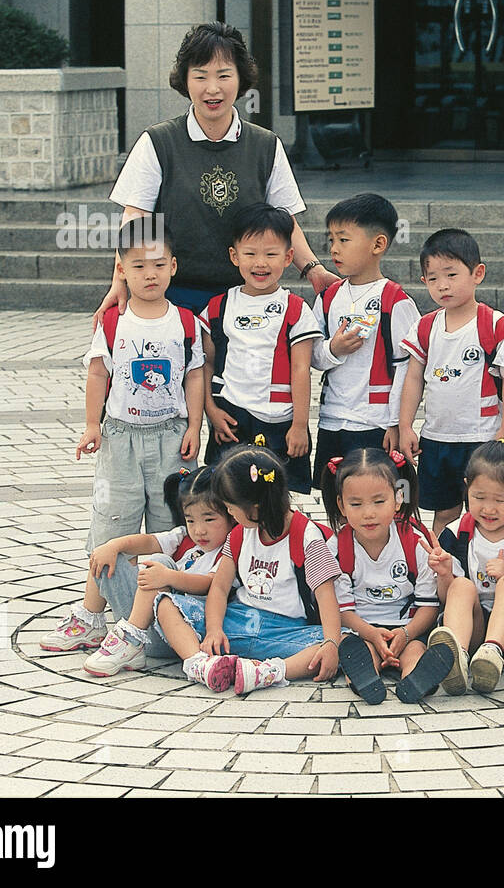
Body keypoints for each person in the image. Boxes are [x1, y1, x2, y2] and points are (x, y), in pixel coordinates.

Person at [101, 21, 335, 321]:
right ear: (185, 81)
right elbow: (137, 219)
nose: (213, 88)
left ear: (240, 79)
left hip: (248, 297)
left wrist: (313, 269)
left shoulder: (265, 145)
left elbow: (284, 219)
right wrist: (119, 281)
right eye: (200, 76)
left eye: (224, 75)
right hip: (174, 298)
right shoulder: (158, 142)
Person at [70, 219, 203, 614]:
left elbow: (194, 376)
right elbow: (98, 372)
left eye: (159, 264)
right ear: (121, 270)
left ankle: (166, 613)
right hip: (120, 439)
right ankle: (92, 614)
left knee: (172, 528)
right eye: (139, 266)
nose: (150, 274)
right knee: (111, 523)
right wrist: (93, 424)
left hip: (172, 438)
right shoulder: (113, 323)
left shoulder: (186, 322)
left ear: (173, 266)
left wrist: (194, 425)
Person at [152, 447, 342, 694]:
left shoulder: (307, 537)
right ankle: (200, 664)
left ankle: (268, 672)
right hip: (236, 623)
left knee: (343, 641)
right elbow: (219, 588)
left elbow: (326, 596)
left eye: (230, 507)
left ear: (255, 507)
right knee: (166, 604)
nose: (229, 513)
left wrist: (330, 643)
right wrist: (214, 630)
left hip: (286, 632)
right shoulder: (240, 534)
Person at [399, 229, 504, 536]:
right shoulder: (424, 327)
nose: (443, 285)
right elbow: (413, 378)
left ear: (477, 273)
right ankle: (442, 568)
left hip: (481, 437)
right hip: (437, 438)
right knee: (444, 511)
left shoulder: (493, 323)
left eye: (451, 274)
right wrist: (405, 426)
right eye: (433, 278)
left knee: (484, 509)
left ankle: (486, 565)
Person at [199, 203, 323, 491]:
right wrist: (211, 410)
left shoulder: (295, 309)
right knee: (227, 495)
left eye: (271, 254)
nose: (260, 263)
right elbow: (205, 363)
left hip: (278, 420)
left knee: (274, 497)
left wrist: (299, 425)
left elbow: (302, 369)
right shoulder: (218, 307)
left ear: (288, 256)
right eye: (250, 254)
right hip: (230, 419)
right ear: (234, 255)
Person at [320, 448, 453, 704]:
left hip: (409, 628)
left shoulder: (414, 541)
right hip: (362, 629)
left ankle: (416, 679)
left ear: (397, 499)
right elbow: (341, 610)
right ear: (341, 505)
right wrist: (372, 634)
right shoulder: (338, 547)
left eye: (379, 502)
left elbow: (429, 606)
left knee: (415, 651)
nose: (368, 513)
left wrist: (403, 634)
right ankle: (363, 678)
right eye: (356, 504)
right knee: (356, 652)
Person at [76, 467, 234, 676]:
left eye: (209, 519)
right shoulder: (185, 537)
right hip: (141, 621)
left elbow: (210, 583)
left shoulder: (230, 550)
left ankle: (130, 641)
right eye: (191, 520)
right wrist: (113, 545)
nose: (199, 530)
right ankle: (90, 623)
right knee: (108, 556)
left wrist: (169, 577)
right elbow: (149, 541)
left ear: (231, 514)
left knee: (160, 564)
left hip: (175, 634)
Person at [310, 193, 422, 489]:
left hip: (375, 424)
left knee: (380, 496)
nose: (334, 249)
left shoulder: (396, 302)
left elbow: (408, 368)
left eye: (344, 240)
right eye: (331, 240)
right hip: (332, 419)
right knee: (334, 498)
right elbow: (311, 355)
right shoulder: (327, 297)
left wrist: (396, 422)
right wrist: (333, 349)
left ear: (378, 244)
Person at [426, 441, 504, 694]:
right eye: (479, 497)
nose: (488, 509)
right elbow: (444, 599)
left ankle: (492, 653)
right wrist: (444, 574)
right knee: (460, 585)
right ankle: (457, 656)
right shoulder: (456, 533)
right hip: (474, 627)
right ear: (466, 488)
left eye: (500, 500)